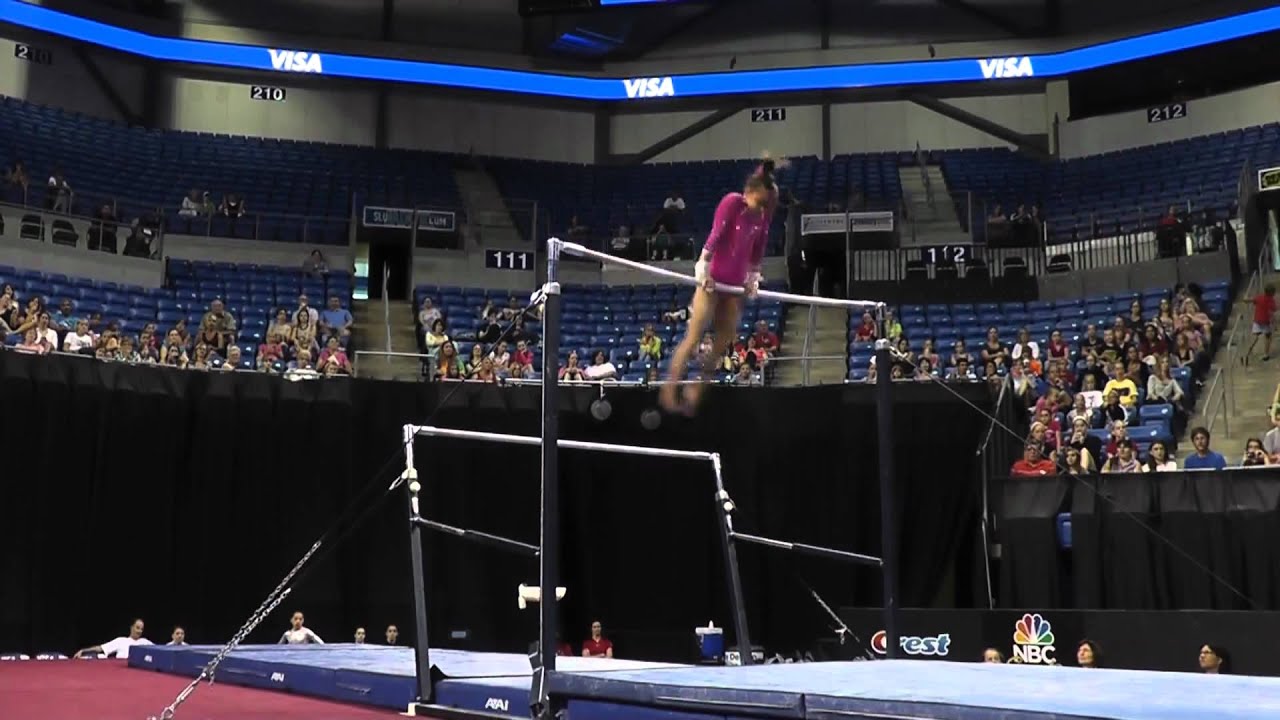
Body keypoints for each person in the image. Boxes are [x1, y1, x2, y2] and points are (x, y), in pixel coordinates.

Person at [659, 157, 781, 415]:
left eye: (765, 205)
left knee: (724, 340)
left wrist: (753, 279)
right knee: (693, 338)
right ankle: (669, 390)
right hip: (712, 282)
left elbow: (757, 254)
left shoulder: (762, 217)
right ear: (747, 193)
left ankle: (696, 389)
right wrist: (703, 266)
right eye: (759, 203)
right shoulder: (732, 203)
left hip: (733, 288)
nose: (761, 209)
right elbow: (716, 234)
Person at [75, 618, 152, 660]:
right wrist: (83, 651)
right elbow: (100, 648)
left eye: (142, 629)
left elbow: (161, 650)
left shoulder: (146, 642)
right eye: (137, 628)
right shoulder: (121, 641)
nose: (139, 631)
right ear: (131, 627)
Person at [1247, 284, 1276, 362]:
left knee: (1256, 336)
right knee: (1268, 337)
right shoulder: (1271, 300)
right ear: (1272, 293)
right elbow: (1274, 309)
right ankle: (1266, 354)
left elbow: (1252, 300)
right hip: (1265, 321)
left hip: (1257, 321)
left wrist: (1245, 300)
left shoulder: (1259, 297)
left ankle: (1249, 351)